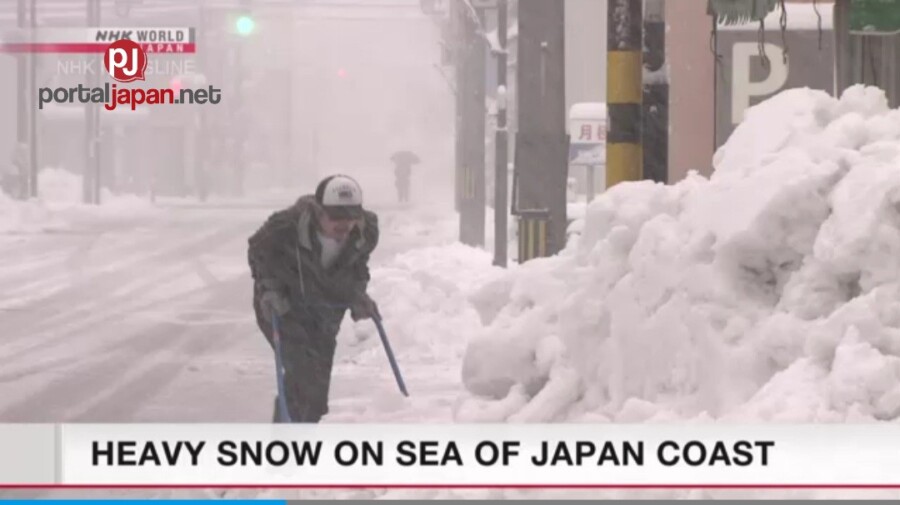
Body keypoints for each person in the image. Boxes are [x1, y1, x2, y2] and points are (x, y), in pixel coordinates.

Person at [247, 174, 380, 423]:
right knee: (303, 372)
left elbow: (357, 267)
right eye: (336, 218)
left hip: (326, 308)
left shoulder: (366, 231)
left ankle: (300, 437)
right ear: (319, 212)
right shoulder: (285, 226)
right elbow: (257, 251)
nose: (345, 225)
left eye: (351, 217)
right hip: (284, 307)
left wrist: (357, 295)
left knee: (317, 385)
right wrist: (269, 288)